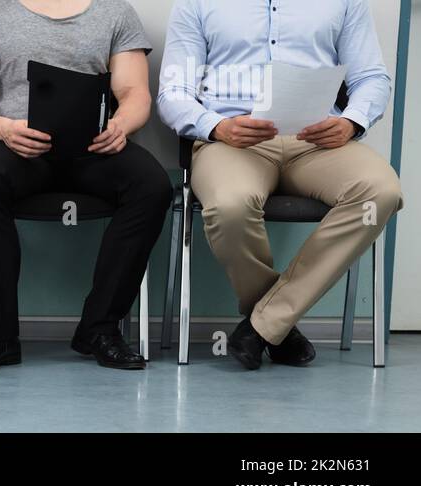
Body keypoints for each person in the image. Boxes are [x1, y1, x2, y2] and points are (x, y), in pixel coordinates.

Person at [158, 0, 403, 370]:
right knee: (230, 205)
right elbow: (173, 91)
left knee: (380, 192)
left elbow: (371, 77)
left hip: (318, 141)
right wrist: (216, 126)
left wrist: (352, 121)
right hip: (232, 140)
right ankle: (277, 326)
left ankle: (263, 326)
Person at [0, 0, 171, 373]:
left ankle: (99, 329)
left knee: (152, 185)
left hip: (94, 149)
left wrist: (120, 126)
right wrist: (4, 129)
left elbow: (135, 92)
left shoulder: (116, 13)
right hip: (19, 147)